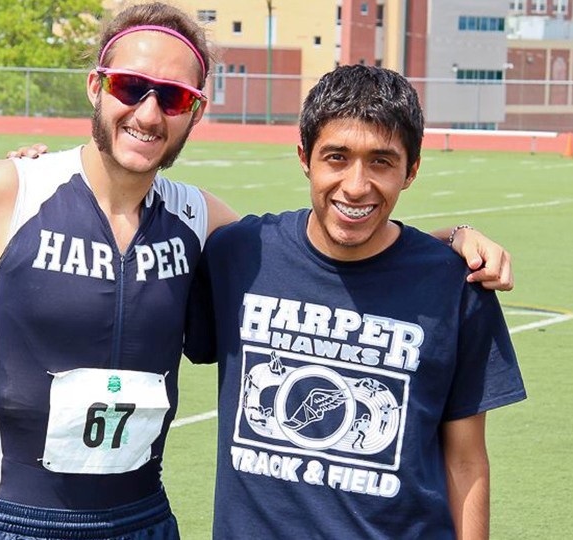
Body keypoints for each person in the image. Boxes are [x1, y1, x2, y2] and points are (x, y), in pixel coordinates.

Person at [0, 4, 514, 540]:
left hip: (145, 521)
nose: (149, 111)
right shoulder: (9, 191)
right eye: (131, 87)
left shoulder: (199, 219)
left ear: (196, 111)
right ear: (95, 86)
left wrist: (445, 244)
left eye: (175, 97)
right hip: (10, 521)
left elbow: (323, 251)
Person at [184, 65, 527, 539]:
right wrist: (44, 168)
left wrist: (456, 235)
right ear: (305, 157)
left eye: (382, 162)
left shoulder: (455, 286)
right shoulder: (242, 255)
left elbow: (466, 461)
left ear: (412, 170)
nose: (356, 186)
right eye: (337, 157)